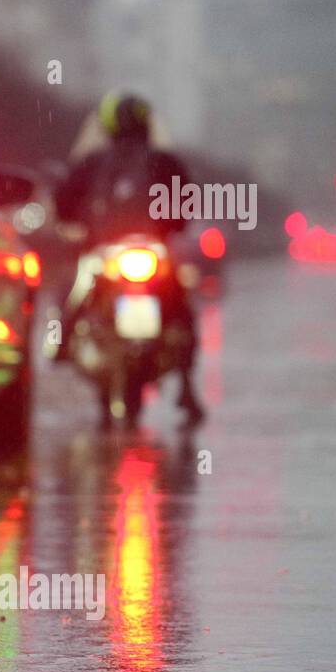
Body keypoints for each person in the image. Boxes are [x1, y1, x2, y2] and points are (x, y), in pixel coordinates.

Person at [51, 92, 205, 426]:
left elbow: (63, 203)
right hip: (152, 252)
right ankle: (188, 388)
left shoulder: (91, 162)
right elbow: (187, 205)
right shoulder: (164, 161)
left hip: (108, 253)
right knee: (182, 310)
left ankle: (61, 343)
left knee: (77, 297)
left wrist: (76, 225)